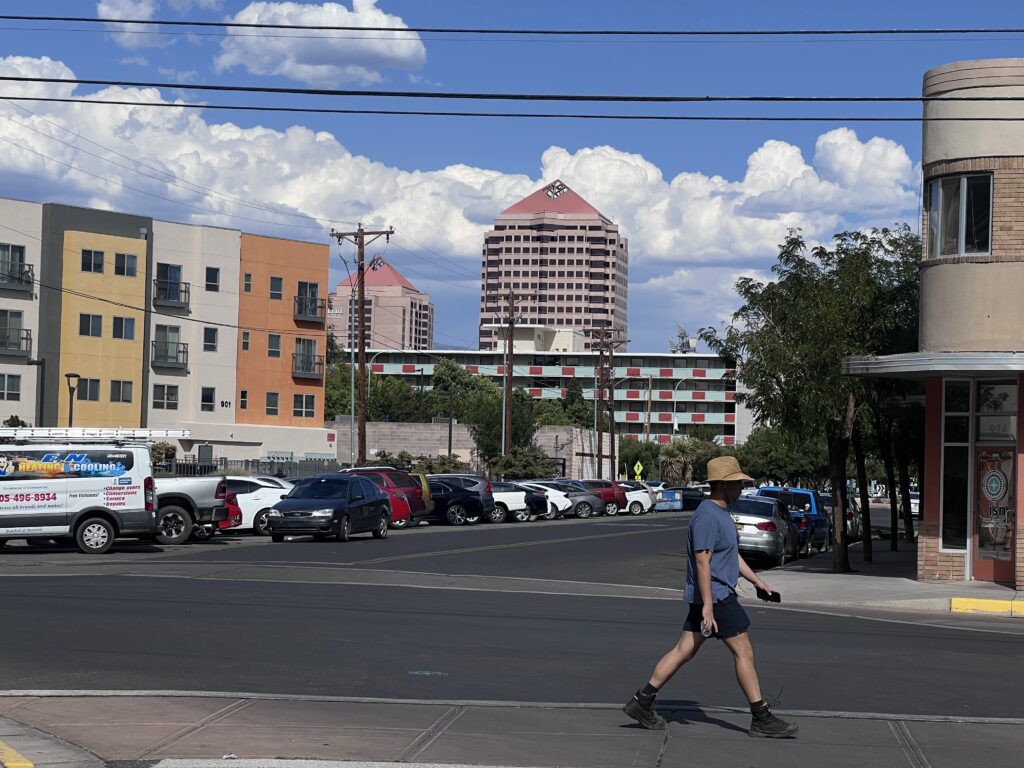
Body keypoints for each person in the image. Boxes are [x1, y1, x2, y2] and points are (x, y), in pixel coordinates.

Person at [623, 455, 798, 738]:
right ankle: (761, 716)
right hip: (716, 597)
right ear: (722, 485)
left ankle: (642, 701)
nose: (741, 488)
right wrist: (707, 605)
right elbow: (702, 561)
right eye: (737, 483)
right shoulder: (706, 517)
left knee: (685, 650)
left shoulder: (721, 513)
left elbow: (730, 555)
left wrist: (757, 581)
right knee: (743, 650)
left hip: (713, 596)